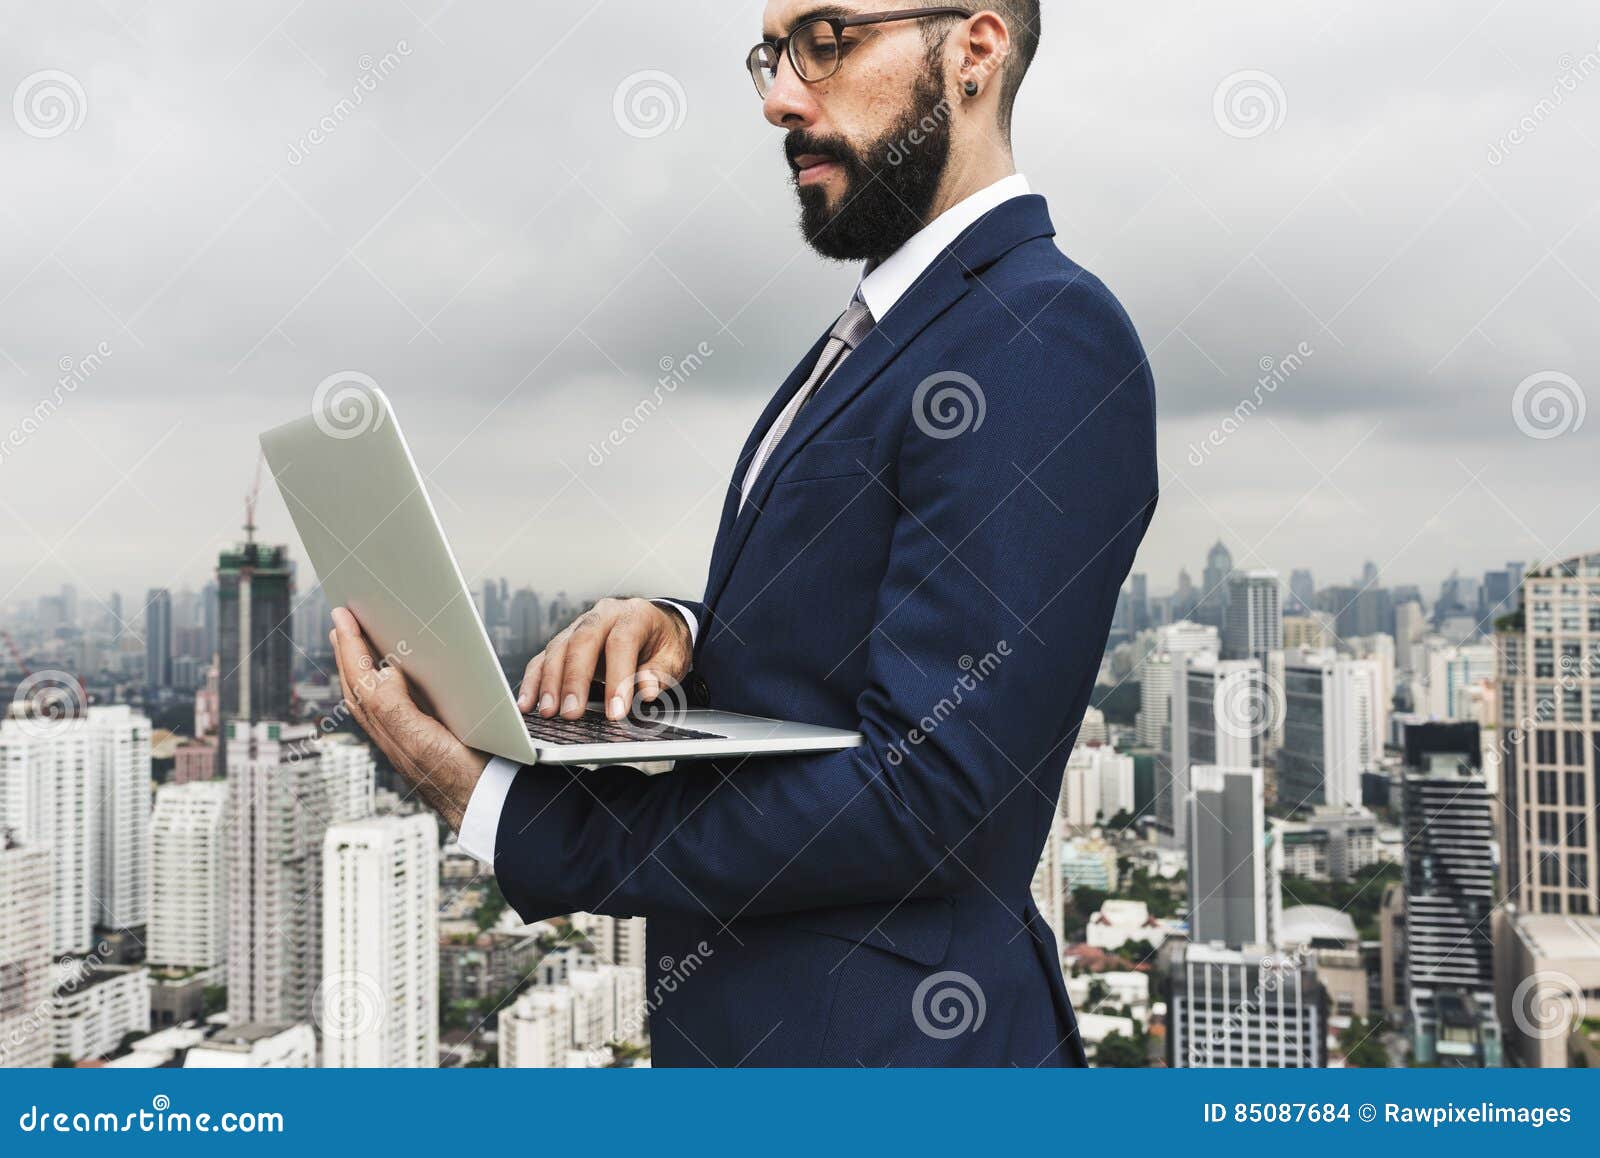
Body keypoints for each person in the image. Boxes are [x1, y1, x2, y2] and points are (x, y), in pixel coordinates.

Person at [330, 0, 1157, 1066]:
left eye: (825, 40)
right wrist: (680, 626)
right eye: (770, 57)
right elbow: (841, 638)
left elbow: (931, 793)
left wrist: (510, 815)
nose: (778, 99)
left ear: (975, 49)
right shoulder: (889, 330)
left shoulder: (1039, 335)